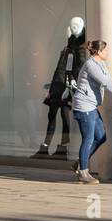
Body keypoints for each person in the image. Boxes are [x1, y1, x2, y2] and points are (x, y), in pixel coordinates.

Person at [71, 39, 112, 184]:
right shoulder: (91, 65)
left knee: (101, 137)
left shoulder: (100, 63)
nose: (107, 52)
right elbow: (105, 82)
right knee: (88, 138)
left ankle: (81, 162)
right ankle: (83, 172)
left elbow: (108, 80)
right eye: (105, 50)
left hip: (92, 106)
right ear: (98, 52)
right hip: (84, 107)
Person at [35, 16, 87, 158]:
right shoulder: (68, 49)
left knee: (64, 118)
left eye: (74, 26)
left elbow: (76, 69)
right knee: (53, 117)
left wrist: (71, 86)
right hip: (59, 86)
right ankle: (46, 148)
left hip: (65, 87)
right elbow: (60, 69)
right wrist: (52, 88)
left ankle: (61, 149)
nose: (71, 29)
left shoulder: (78, 50)